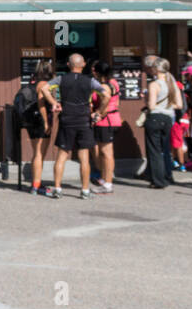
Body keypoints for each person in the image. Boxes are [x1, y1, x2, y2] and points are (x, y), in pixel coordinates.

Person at [44, 53, 110, 200]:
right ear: (84, 64)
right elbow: (106, 95)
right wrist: (99, 112)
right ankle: (85, 190)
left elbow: (45, 89)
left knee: (62, 155)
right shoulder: (90, 81)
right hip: (83, 120)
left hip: (66, 118)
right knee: (84, 157)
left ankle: (57, 188)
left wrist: (54, 102)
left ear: (68, 65)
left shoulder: (61, 79)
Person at [19, 59, 59, 195]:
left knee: (37, 152)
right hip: (41, 121)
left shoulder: (33, 82)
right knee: (39, 154)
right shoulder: (44, 84)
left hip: (31, 121)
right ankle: (36, 185)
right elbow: (42, 104)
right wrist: (46, 122)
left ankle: (35, 183)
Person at [141, 55, 175, 189]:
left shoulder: (155, 83)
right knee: (164, 148)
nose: (149, 71)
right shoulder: (170, 81)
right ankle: (165, 174)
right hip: (168, 116)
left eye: (150, 68)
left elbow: (151, 105)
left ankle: (158, 179)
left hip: (156, 116)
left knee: (155, 151)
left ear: (155, 68)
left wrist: (147, 96)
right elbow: (178, 102)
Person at [89, 59, 120, 194]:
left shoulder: (105, 86)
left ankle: (107, 183)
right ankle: (106, 179)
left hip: (105, 121)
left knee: (106, 153)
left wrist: (98, 113)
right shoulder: (113, 83)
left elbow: (106, 100)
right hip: (112, 120)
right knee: (106, 152)